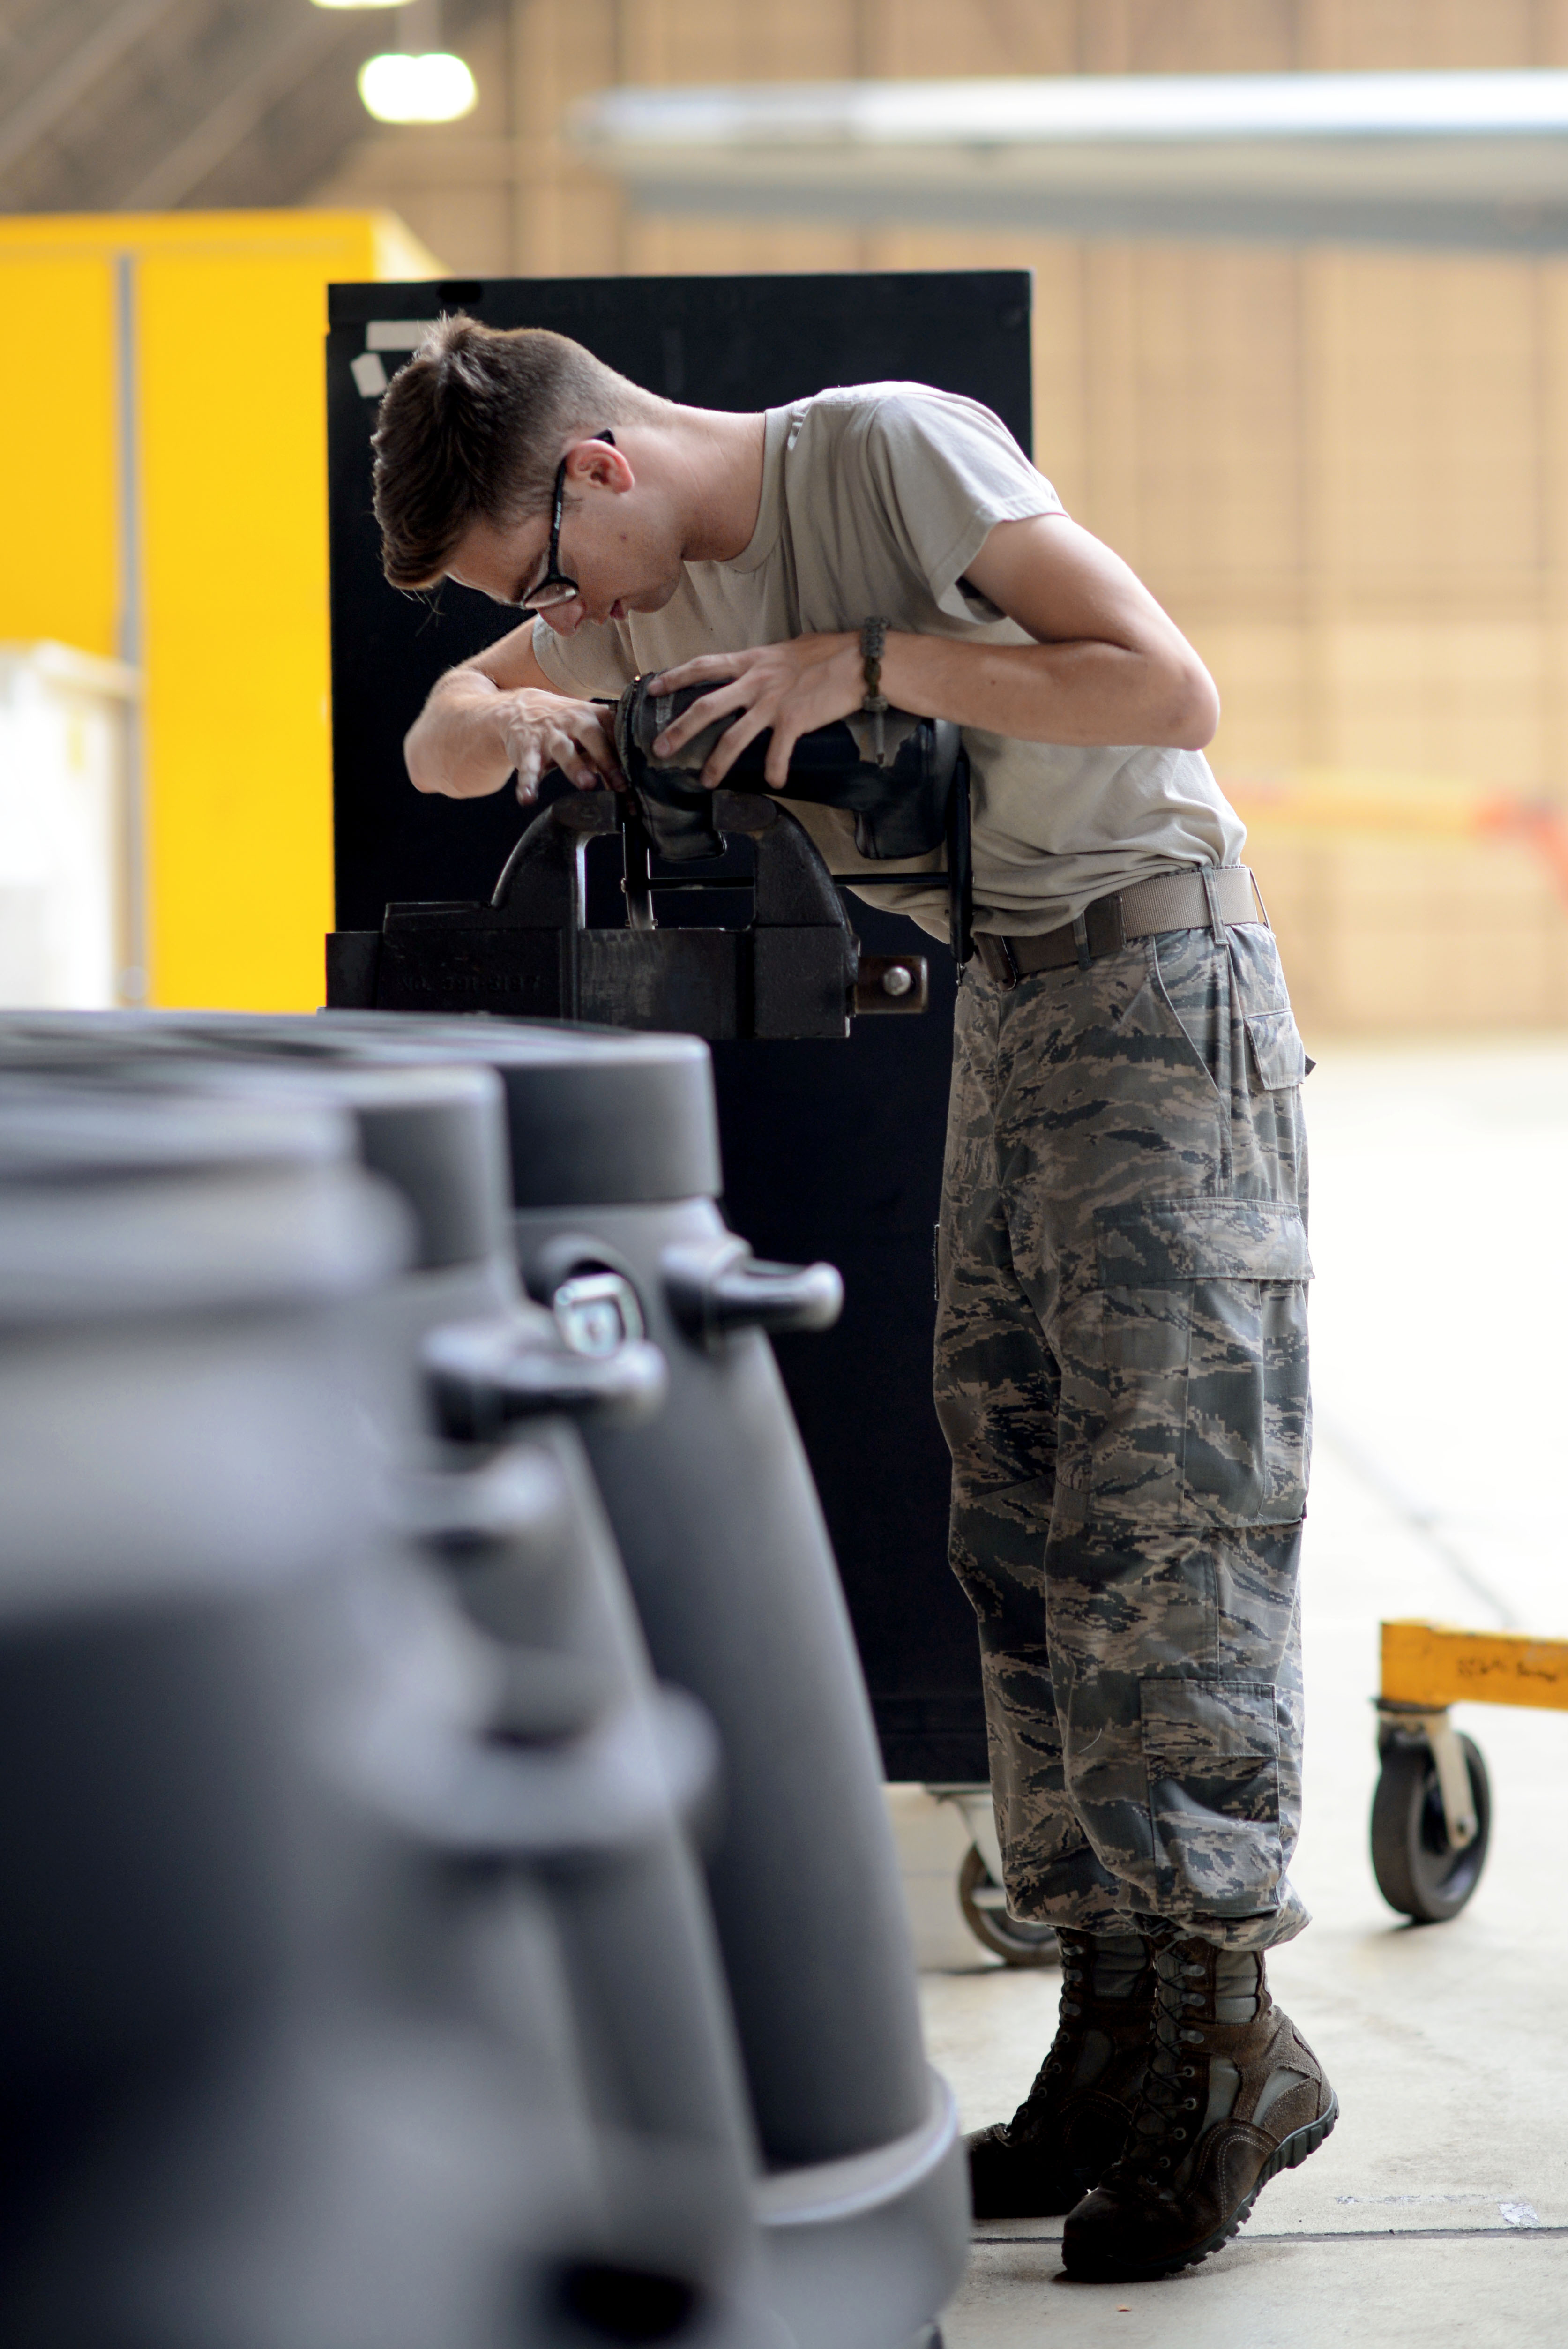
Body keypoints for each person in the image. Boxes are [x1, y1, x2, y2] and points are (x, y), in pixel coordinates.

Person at [371, 316, 1336, 2285]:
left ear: (603, 469)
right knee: (1024, 1529)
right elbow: (437, 732)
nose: (563, 616)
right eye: (530, 605)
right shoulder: (629, 598)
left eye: (547, 577)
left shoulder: (887, 455)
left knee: (1174, 1528)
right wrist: (525, 713)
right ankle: (1110, 2028)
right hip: (1012, 1015)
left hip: (1160, 987)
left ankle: (1224, 2036)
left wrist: (866, 661)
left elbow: (1171, 685)